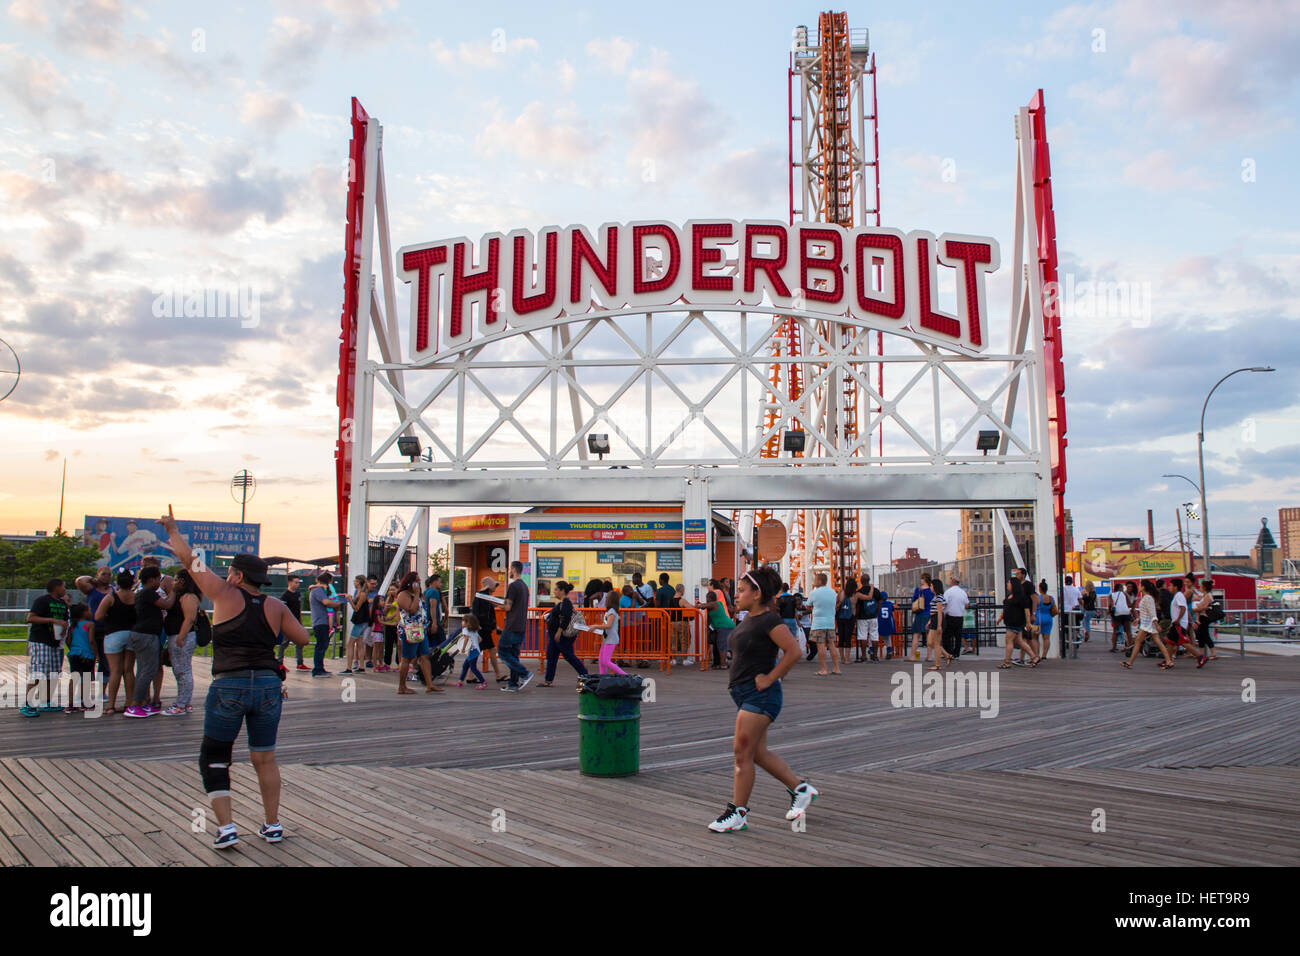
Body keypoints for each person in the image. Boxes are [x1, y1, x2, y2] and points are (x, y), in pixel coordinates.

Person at [160, 510, 309, 850]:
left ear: (238, 576)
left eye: (229, 571)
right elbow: (301, 638)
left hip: (229, 684)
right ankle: (272, 825)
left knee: (214, 755)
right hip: (269, 688)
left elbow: (189, 559)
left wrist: (172, 529)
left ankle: (226, 828)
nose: (225, 575)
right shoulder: (275, 605)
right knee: (265, 758)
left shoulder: (223, 594)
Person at [707, 566, 818, 833]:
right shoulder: (749, 619)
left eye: (743, 590)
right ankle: (800, 789)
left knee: (741, 753)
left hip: (761, 696)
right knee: (757, 753)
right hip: (745, 694)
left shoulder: (770, 620)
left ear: (757, 594)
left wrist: (770, 678)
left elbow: (794, 651)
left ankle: (737, 813)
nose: (737, 594)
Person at [124, 566, 175, 718]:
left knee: (143, 670)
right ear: (151, 579)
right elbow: (167, 604)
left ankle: (141, 703)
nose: (160, 583)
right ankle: (135, 704)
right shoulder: (148, 593)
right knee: (149, 670)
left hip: (141, 635)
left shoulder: (141, 593)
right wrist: (173, 591)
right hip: (146, 635)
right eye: (159, 579)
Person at [22, 578, 70, 717]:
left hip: (55, 642)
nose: (65, 589)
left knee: (53, 673)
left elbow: (65, 620)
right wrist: (51, 620)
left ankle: (46, 702)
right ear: (56, 587)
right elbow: (30, 618)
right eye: (63, 586)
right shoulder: (43, 600)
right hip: (40, 640)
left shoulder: (62, 603)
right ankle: (28, 704)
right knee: (39, 671)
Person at [94, 571, 137, 715]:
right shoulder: (135, 597)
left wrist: (109, 616)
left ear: (117, 582)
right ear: (132, 582)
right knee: (129, 670)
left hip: (113, 635)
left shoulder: (110, 597)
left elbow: (98, 616)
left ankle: (111, 705)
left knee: (115, 671)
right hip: (131, 634)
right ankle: (129, 703)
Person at [163, 569, 202, 716]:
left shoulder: (188, 597)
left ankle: (181, 704)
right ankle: (183, 702)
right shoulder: (182, 595)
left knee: (183, 670)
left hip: (183, 636)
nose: (173, 583)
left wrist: (181, 636)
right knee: (179, 670)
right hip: (178, 636)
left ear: (182, 581)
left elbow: (189, 618)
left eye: (175, 580)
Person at [540, 580, 589, 686]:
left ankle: (585, 675)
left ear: (562, 591)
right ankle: (548, 680)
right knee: (551, 656)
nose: (554, 592)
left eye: (556, 589)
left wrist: (559, 631)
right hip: (554, 635)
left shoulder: (566, 603)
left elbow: (566, 618)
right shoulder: (562, 603)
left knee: (569, 656)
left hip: (560, 636)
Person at [497, 561, 533, 692]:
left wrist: (494, 603)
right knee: (513, 654)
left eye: (509, 569)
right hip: (521, 625)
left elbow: (507, 606)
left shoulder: (513, 586)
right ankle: (513, 683)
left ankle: (524, 673)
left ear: (513, 569)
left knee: (502, 651)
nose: (508, 572)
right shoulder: (524, 586)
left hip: (511, 625)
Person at [1123, 579, 1172, 669]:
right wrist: (1138, 619)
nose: (1138, 587)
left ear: (1143, 587)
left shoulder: (1148, 598)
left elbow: (1152, 612)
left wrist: (1156, 624)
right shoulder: (1147, 597)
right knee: (1157, 642)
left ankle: (1130, 662)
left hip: (1147, 624)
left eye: (1140, 585)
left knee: (1139, 641)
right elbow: (1146, 612)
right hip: (1147, 623)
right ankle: (1168, 661)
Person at [307, 571, 345, 677]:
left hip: (320, 621)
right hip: (320, 622)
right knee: (320, 646)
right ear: (328, 581)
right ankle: (318, 670)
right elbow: (326, 602)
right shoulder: (318, 590)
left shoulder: (316, 590)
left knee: (322, 646)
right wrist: (338, 603)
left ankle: (320, 668)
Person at [1164, 576, 1206, 668]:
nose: (1169, 587)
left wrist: (1178, 619)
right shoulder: (1178, 596)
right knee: (1170, 641)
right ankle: (1167, 660)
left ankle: (1200, 656)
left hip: (1179, 624)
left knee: (1183, 642)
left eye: (1170, 586)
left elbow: (1183, 608)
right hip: (1176, 623)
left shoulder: (1179, 596)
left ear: (1175, 587)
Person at [996, 578, 1039, 668]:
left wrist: (1028, 622)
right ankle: (1034, 657)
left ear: (1013, 585)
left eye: (1009, 583)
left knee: (1009, 641)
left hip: (1015, 621)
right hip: (1011, 621)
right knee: (1019, 641)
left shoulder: (1021, 597)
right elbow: (1006, 608)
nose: (1007, 584)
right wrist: (1001, 617)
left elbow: (1026, 611)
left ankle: (1007, 662)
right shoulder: (1011, 596)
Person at [64, 604, 98, 713]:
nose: (90, 611)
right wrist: (96, 653)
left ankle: (70, 705)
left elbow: (68, 640)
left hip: (74, 654)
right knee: (86, 679)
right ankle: (85, 703)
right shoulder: (89, 625)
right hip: (87, 655)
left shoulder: (72, 626)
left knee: (74, 678)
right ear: (84, 613)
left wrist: (73, 649)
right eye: (89, 610)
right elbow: (91, 641)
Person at [472, 576, 506, 681]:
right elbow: (484, 615)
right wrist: (492, 626)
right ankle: (498, 675)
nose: (496, 587)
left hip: (481, 628)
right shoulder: (484, 598)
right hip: (483, 629)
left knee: (475, 652)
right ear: (488, 586)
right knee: (491, 649)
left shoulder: (481, 597)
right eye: (494, 585)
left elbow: (481, 614)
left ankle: (469, 675)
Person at [807, 572, 841, 676]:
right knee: (831, 645)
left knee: (820, 645)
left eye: (815, 580)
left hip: (819, 623)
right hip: (830, 622)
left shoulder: (814, 593)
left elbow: (808, 606)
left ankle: (823, 669)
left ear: (819, 581)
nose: (814, 582)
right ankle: (837, 668)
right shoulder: (832, 592)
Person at [589, 589, 627, 675]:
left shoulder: (612, 612)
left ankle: (625, 675)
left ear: (610, 600)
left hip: (611, 639)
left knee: (606, 661)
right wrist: (595, 628)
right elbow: (605, 625)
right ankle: (604, 677)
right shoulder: (609, 611)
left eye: (607, 598)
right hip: (607, 638)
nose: (605, 600)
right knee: (601, 660)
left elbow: (608, 625)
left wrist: (595, 626)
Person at [277, 574, 307, 671]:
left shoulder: (298, 594)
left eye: (298, 583)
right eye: (295, 582)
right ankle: (280, 663)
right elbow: (282, 611)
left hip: (297, 623)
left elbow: (298, 610)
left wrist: (300, 622)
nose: (297, 584)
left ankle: (300, 663)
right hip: (288, 624)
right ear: (290, 582)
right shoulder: (285, 596)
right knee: (284, 643)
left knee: (300, 643)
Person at [705, 579, 736, 669]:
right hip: (722, 621)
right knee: (722, 643)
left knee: (721, 644)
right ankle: (720, 662)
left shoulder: (716, 592)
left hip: (723, 622)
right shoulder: (721, 593)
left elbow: (710, 603)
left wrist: (699, 605)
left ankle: (722, 663)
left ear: (712, 585)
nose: (707, 587)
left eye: (708, 585)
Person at [853, 574, 881, 662]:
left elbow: (857, 606)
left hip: (862, 617)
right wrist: (876, 613)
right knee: (874, 636)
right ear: (869, 580)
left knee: (863, 636)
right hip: (873, 617)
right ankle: (875, 656)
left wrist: (856, 616)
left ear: (861, 581)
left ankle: (864, 656)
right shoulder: (876, 591)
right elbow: (880, 602)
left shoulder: (859, 591)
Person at [455, 612, 487, 688]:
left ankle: (483, 682)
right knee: (465, 666)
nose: (462, 622)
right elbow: (480, 639)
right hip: (476, 650)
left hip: (472, 651)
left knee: (473, 668)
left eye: (463, 620)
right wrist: (474, 645)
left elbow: (466, 639)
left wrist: (463, 648)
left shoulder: (465, 629)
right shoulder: (474, 630)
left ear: (467, 623)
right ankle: (460, 681)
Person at [908, 573, 935, 661]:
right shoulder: (932, 590)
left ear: (923, 579)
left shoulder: (919, 589)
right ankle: (929, 656)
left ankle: (912, 656)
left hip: (920, 613)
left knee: (916, 635)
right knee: (929, 636)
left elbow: (914, 600)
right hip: (930, 614)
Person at [940, 576, 968, 660]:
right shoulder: (963, 592)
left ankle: (948, 652)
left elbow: (944, 603)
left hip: (950, 616)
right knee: (958, 637)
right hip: (960, 617)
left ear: (952, 582)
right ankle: (956, 654)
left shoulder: (948, 592)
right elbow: (967, 604)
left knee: (946, 636)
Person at [1191, 577, 1218, 662]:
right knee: (1200, 635)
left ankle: (1213, 653)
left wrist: (1197, 608)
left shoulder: (1208, 596)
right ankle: (1202, 654)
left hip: (1205, 617)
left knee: (1204, 635)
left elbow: (1205, 607)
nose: (1200, 588)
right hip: (1202, 617)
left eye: (1201, 586)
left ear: (1204, 587)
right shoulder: (1205, 595)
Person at [926, 593, 954, 670]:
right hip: (933, 619)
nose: (930, 587)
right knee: (930, 642)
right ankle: (947, 655)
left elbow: (939, 612)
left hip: (936, 620)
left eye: (932, 585)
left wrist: (939, 625)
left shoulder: (939, 597)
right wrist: (929, 621)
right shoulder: (936, 597)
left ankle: (937, 665)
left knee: (936, 643)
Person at [1032, 580, 1056, 660]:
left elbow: (1034, 609)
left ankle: (1036, 654)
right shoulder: (1051, 598)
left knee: (1035, 637)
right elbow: (1053, 608)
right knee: (1046, 638)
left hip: (1038, 619)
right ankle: (1044, 655)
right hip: (1048, 618)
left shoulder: (1038, 598)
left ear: (1039, 588)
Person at [1109, 582, 1131, 653]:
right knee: (1127, 631)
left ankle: (1114, 647)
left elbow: (1110, 605)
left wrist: (1110, 612)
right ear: (1120, 588)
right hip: (1126, 612)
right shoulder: (1124, 594)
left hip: (1117, 613)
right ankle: (1130, 646)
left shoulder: (1111, 595)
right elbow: (1129, 603)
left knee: (1115, 631)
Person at [1062, 574, 1082, 649]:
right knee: (1076, 626)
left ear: (1065, 582)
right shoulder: (1076, 589)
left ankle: (1068, 641)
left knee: (1067, 628)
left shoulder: (1063, 589)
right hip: (1075, 610)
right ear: (1072, 581)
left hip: (1066, 610)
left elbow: (1060, 599)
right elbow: (1080, 599)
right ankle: (1076, 637)